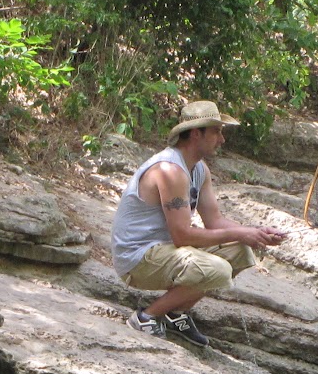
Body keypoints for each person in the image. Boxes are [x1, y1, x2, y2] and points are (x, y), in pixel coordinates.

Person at [110, 99, 286, 347]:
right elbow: (182, 235)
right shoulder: (170, 170)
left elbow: (214, 221)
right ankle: (146, 316)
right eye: (216, 131)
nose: (222, 139)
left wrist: (254, 232)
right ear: (195, 133)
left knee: (240, 250)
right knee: (218, 269)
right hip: (137, 258)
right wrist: (240, 233)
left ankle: (175, 313)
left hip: (164, 251)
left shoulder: (199, 169)